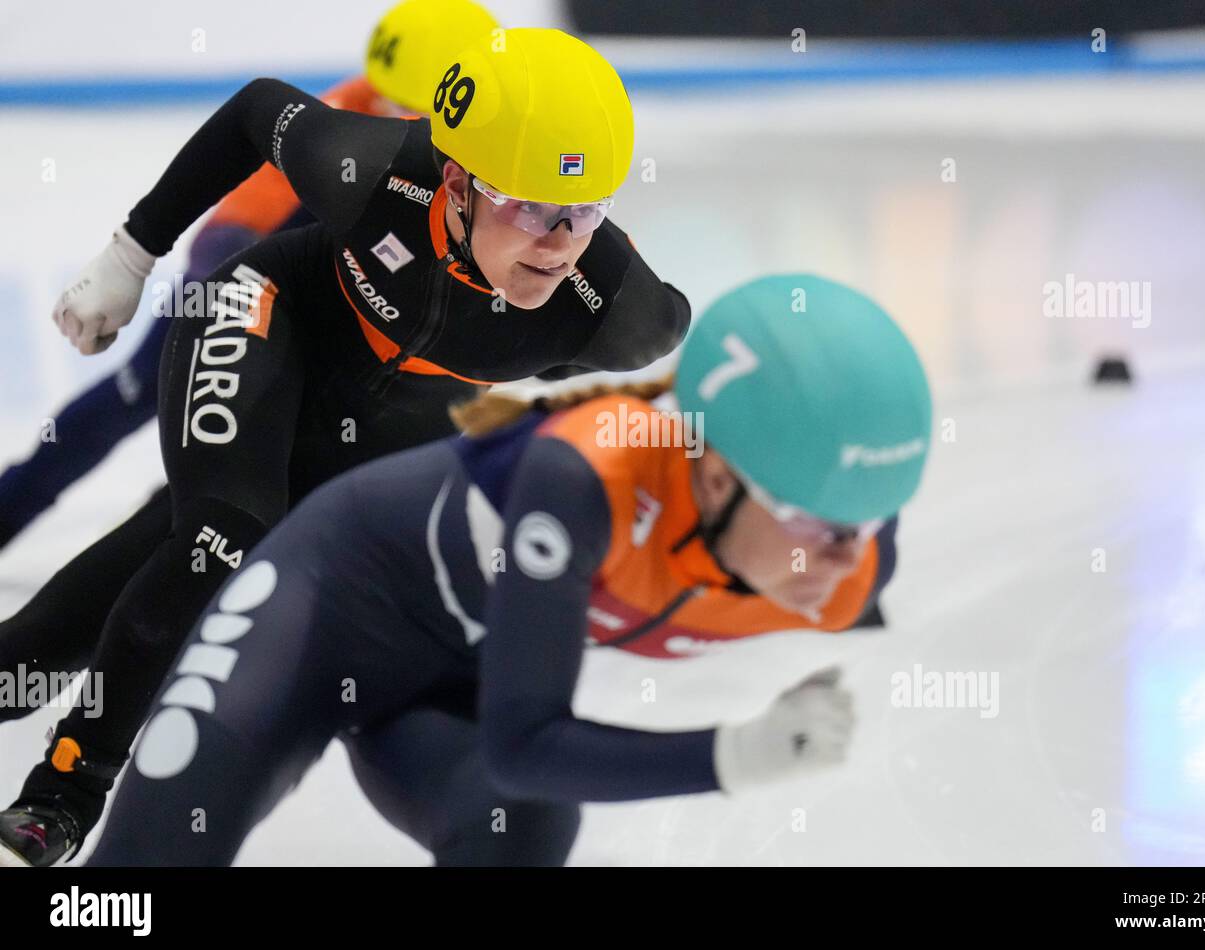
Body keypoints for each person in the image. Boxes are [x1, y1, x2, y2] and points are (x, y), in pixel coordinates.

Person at [0, 25, 690, 866]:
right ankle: (65, 793)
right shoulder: (378, 170)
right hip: (272, 316)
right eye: (533, 208)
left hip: (396, 420)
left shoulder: (619, 315)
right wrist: (130, 255)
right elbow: (256, 110)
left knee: (159, 563)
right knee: (221, 536)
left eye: (586, 213)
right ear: (459, 182)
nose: (558, 244)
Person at [78, 273, 932, 867]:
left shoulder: (847, 563)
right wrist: (733, 756)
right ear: (714, 475)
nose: (844, 561)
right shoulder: (588, 475)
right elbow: (528, 743)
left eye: (866, 525)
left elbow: (516, 765)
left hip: (445, 687)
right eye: (817, 528)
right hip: (318, 608)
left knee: (523, 824)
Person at [0, 0, 496, 553]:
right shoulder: (368, 134)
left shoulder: (381, 103)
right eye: (394, 103)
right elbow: (234, 235)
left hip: (274, 269)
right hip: (242, 270)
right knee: (165, 408)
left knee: (153, 408)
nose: (391, 110)